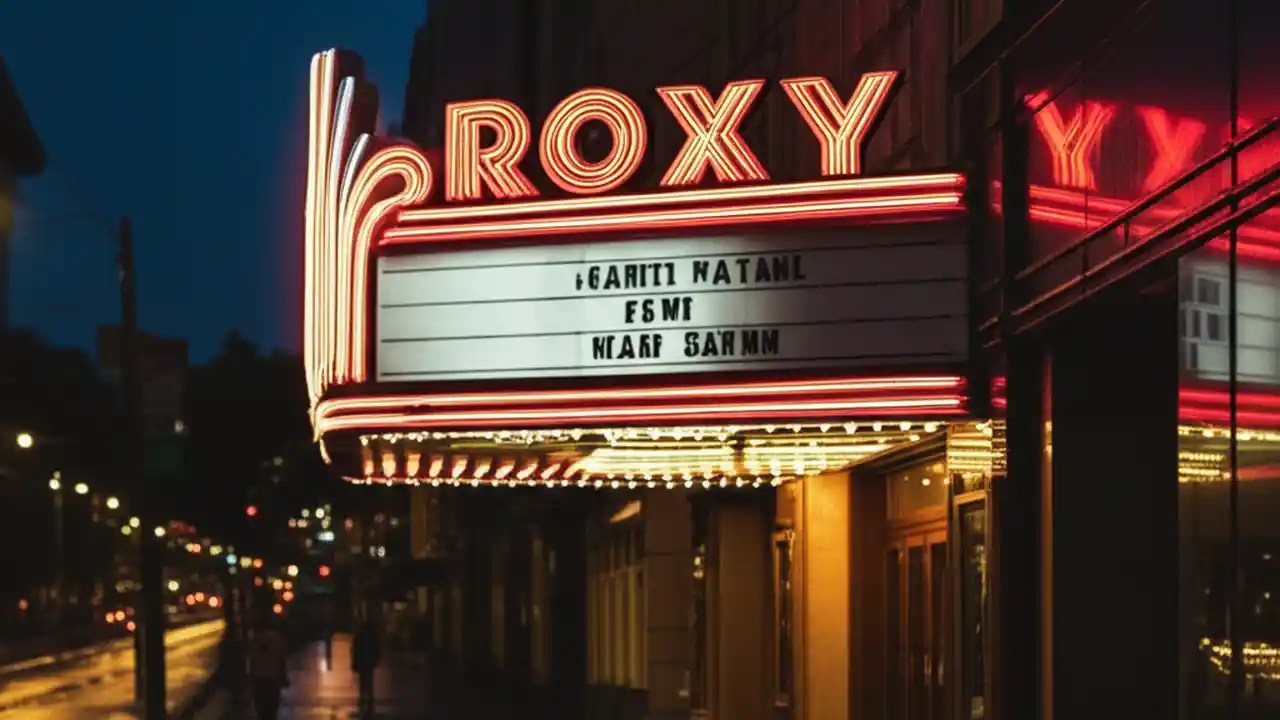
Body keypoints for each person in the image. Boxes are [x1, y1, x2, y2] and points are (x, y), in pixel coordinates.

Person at [247, 616, 289, 720]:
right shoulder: (276, 638)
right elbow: (281, 658)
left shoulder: (254, 638)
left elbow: (250, 659)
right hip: (273, 676)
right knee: (272, 709)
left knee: (260, 709)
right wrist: (283, 676)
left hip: (258, 677)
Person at [352, 615, 383, 717]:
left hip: (362, 661)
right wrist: (376, 659)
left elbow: (355, 649)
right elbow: (377, 647)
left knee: (362, 685)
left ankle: (362, 705)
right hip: (369, 662)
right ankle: (369, 706)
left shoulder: (360, 634)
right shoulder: (373, 634)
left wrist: (354, 661)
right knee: (369, 684)